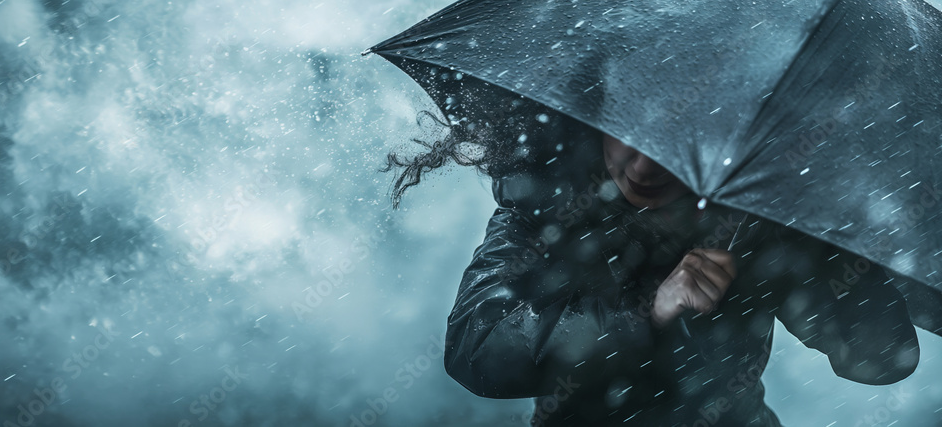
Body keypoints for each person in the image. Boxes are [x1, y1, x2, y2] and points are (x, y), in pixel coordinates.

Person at [383, 102, 920, 426]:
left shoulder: (755, 220)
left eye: (670, 143)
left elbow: (880, 358)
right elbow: (477, 348)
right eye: (629, 132)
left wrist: (825, 229)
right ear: (594, 117)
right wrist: (648, 318)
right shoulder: (542, 204)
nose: (641, 166)